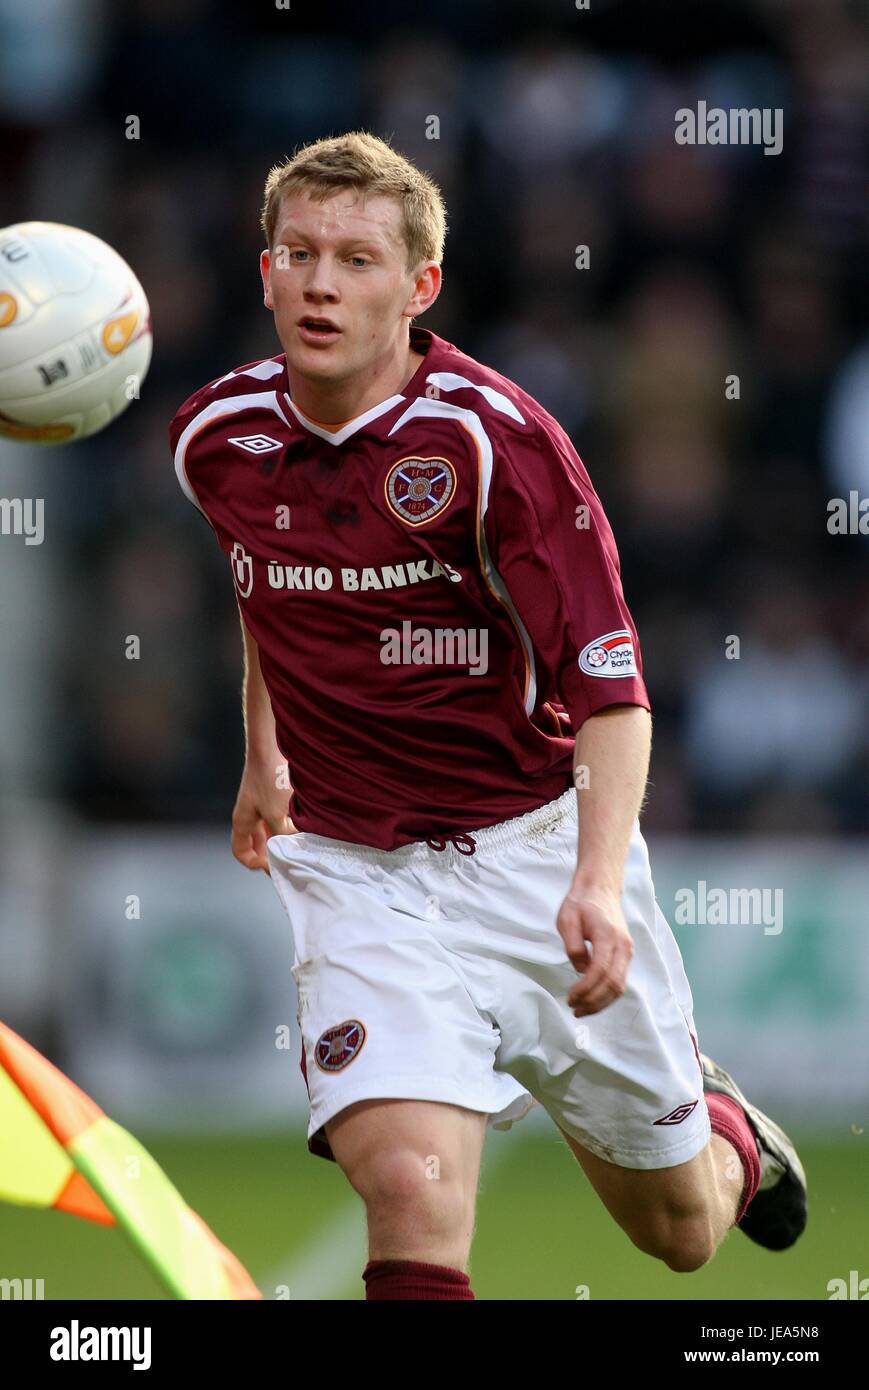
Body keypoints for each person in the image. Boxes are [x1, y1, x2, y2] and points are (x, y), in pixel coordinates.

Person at [169, 131, 806, 1301]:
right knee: (410, 1190)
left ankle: (731, 1134)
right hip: (357, 869)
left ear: (418, 291)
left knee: (678, 1232)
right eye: (296, 252)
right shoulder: (216, 439)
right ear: (263, 271)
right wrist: (263, 756)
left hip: (532, 853)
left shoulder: (498, 443)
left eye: (356, 260)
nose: (319, 282)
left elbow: (611, 691)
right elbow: (265, 582)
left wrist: (596, 883)